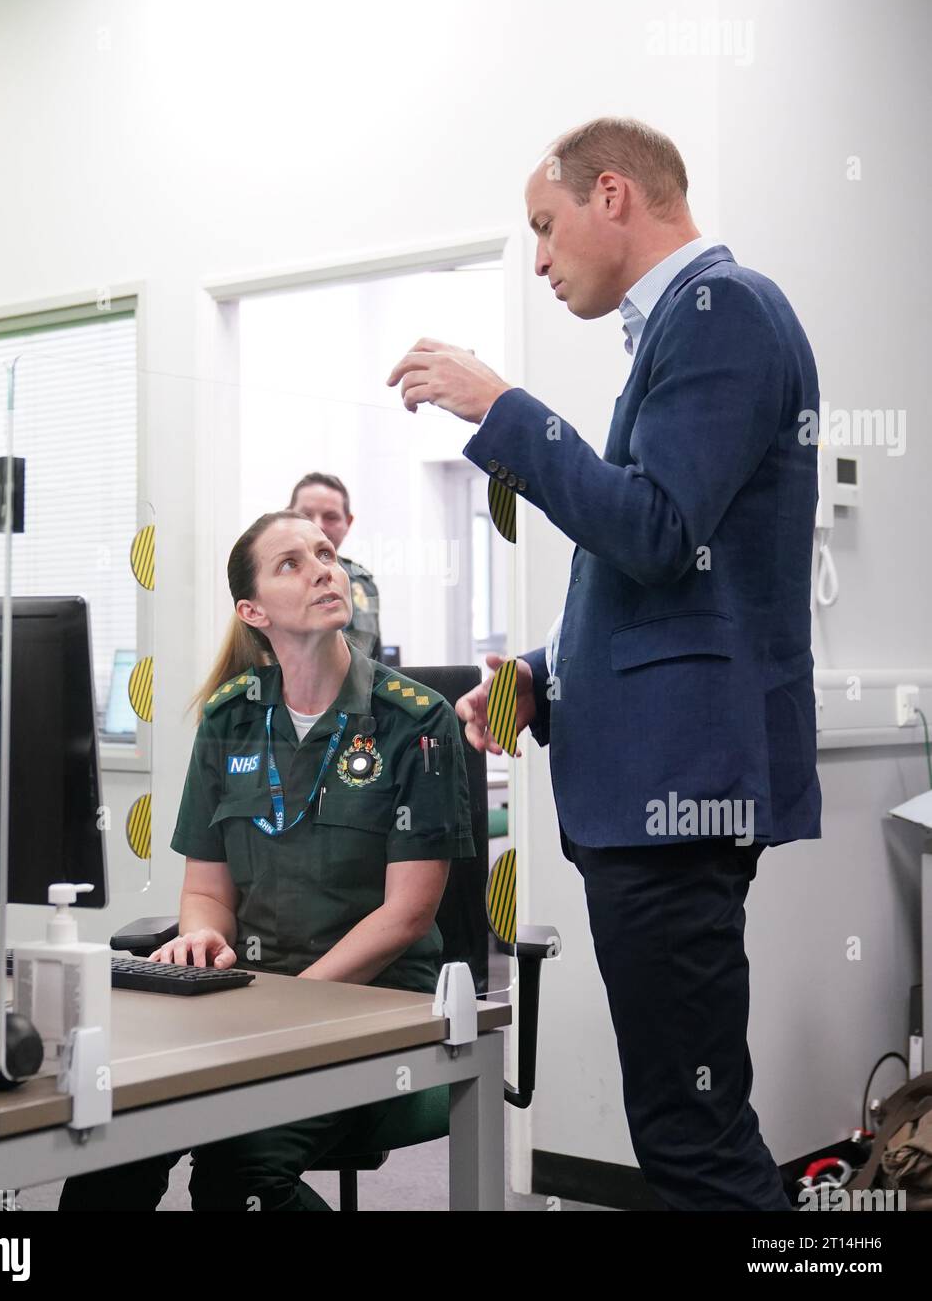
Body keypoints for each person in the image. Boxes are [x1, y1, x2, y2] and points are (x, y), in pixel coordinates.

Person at [388, 116, 820, 1211]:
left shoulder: (725, 313)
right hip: (650, 793)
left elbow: (659, 531)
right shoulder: (686, 325)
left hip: (673, 800)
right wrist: (541, 677)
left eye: (545, 226)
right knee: (689, 1127)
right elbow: (667, 585)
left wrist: (503, 411)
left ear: (613, 195)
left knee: (692, 1140)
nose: (538, 258)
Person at [59, 510, 472, 1211]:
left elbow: (406, 916)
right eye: (291, 563)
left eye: (325, 554)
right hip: (246, 1003)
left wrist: (286, 1011)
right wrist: (201, 932)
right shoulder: (230, 718)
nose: (322, 569)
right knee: (109, 1138)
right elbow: (206, 891)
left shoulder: (414, 719)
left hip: (371, 1005)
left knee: (240, 1173)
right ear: (253, 612)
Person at [289, 471, 382, 660]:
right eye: (305, 514)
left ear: (348, 523)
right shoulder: (270, 581)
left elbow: (376, 660)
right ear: (288, 516)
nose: (317, 525)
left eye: (330, 517)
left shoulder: (363, 582)